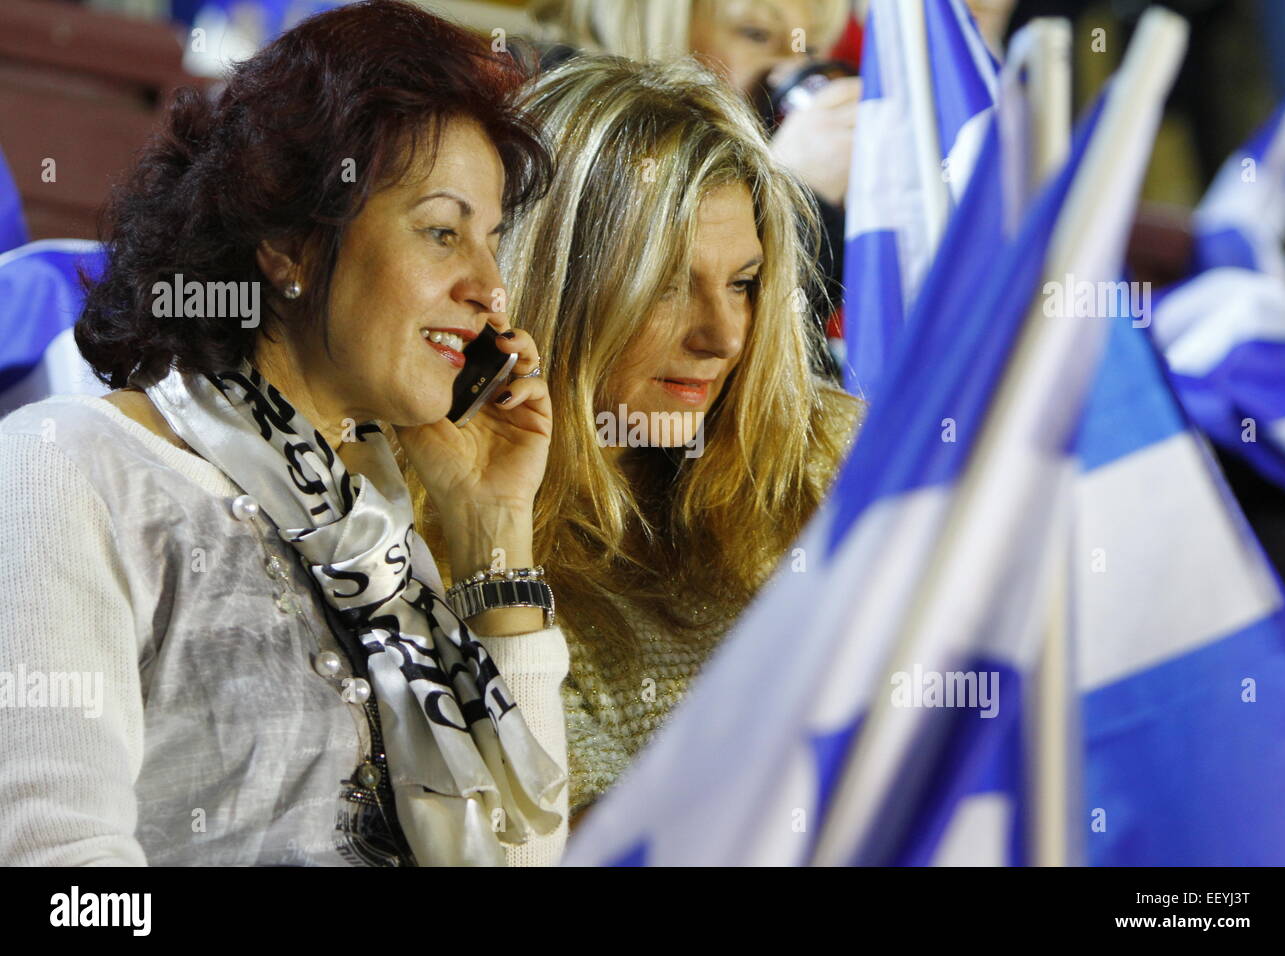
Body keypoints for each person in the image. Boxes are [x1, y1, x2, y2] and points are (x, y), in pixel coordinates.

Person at [0, 0, 570, 867]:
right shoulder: (71, 470)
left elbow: (520, 857)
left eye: (492, 242)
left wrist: (492, 525)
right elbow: (57, 871)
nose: (490, 289)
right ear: (289, 243)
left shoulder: (378, 539)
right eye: (442, 232)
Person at [413, 56, 862, 820]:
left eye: (744, 284)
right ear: (555, 280)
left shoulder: (832, 456)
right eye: (666, 285)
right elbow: (558, 833)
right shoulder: (446, 532)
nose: (722, 336)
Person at [522, 0, 857, 375]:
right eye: (756, 34)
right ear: (646, 15)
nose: (787, 71)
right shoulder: (552, 140)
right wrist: (800, 198)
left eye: (807, 48)